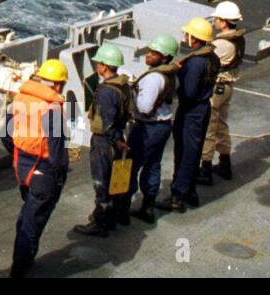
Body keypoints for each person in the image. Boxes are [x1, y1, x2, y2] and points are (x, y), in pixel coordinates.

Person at [0, 58, 69, 278]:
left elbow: (5, 134)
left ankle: (24, 257)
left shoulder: (20, 99)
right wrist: (59, 177)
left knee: (28, 213)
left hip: (22, 166)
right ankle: (19, 268)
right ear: (58, 85)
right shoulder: (53, 109)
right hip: (44, 171)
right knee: (33, 220)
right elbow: (57, 153)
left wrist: (18, 153)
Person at [73, 43, 131, 237]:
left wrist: (115, 140)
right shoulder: (122, 86)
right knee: (112, 181)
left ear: (104, 66)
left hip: (104, 142)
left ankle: (101, 222)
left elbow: (106, 123)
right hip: (116, 139)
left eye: (99, 63)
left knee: (101, 181)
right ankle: (110, 216)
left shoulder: (106, 91)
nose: (97, 65)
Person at [163, 17, 219, 212]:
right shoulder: (213, 57)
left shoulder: (195, 63)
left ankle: (177, 196)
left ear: (194, 39)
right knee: (193, 151)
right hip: (203, 108)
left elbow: (189, 91)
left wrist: (175, 78)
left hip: (191, 110)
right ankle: (189, 191)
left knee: (185, 151)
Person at [127, 34, 178, 222]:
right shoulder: (170, 74)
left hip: (147, 128)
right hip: (163, 125)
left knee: (130, 166)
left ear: (164, 58)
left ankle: (122, 207)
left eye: (153, 53)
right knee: (153, 165)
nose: (148, 55)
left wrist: (133, 94)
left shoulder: (153, 78)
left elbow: (144, 108)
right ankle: (147, 207)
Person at [201, 0, 246, 184]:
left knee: (209, 127)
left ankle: (205, 169)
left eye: (217, 19)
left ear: (224, 21)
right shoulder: (238, 38)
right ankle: (225, 163)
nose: (215, 22)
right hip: (227, 87)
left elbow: (207, 63)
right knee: (221, 124)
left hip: (217, 89)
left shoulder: (221, 44)